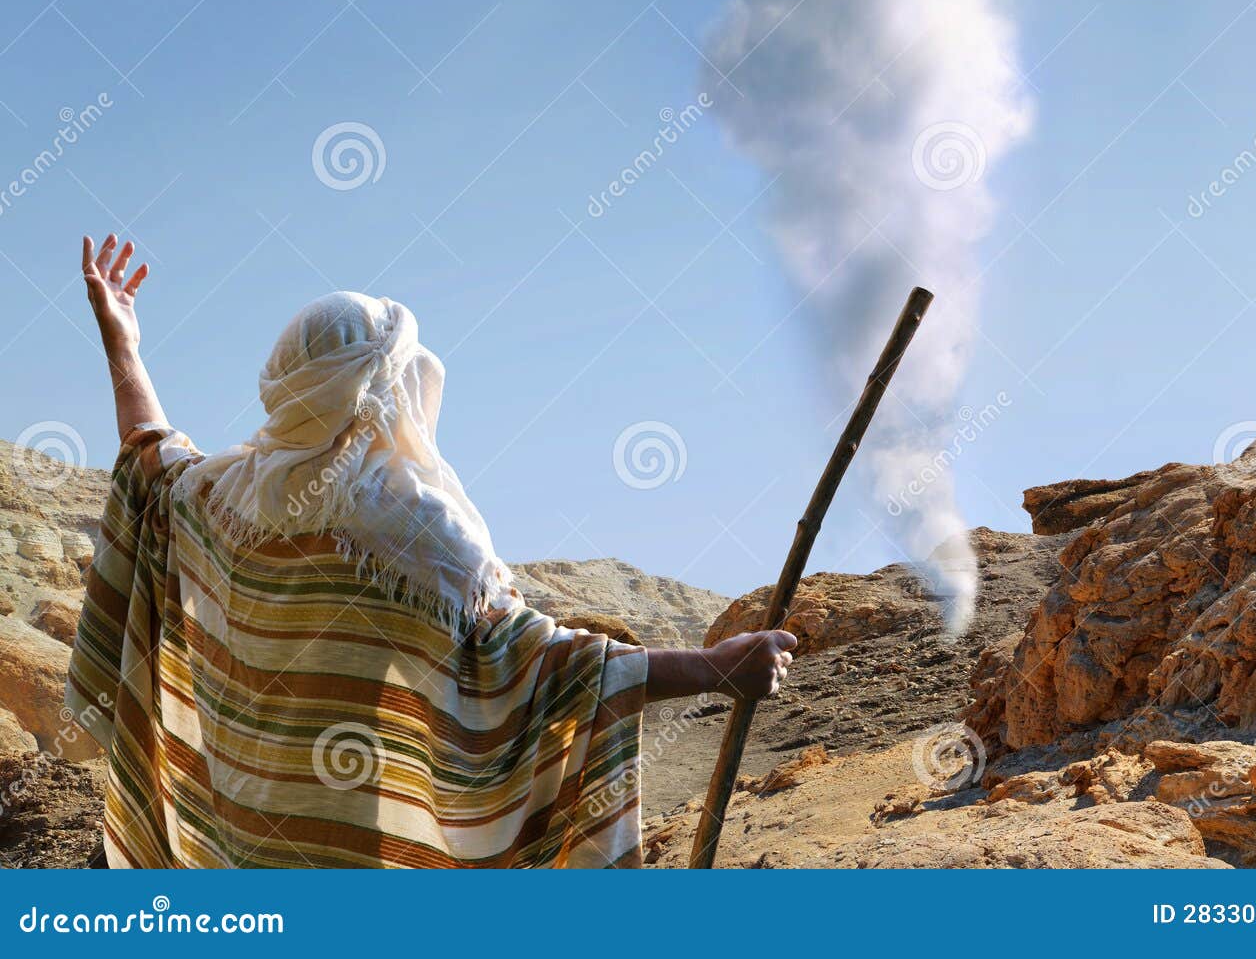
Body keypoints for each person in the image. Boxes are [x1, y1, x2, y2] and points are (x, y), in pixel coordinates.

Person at [66, 232, 795, 869]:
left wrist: (120, 340)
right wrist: (712, 669)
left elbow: (148, 453)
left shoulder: (217, 499)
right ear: (390, 385)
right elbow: (548, 669)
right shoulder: (415, 533)